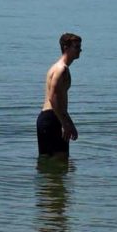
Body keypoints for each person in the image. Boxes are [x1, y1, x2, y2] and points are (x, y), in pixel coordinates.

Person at [37, 33, 82, 161]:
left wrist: (68, 122)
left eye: (80, 47)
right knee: (60, 161)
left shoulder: (57, 67)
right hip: (52, 118)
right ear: (65, 47)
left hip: (49, 118)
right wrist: (66, 124)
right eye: (77, 47)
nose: (80, 50)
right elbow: (53, 98)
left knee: (48, 162)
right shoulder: (61, 69)